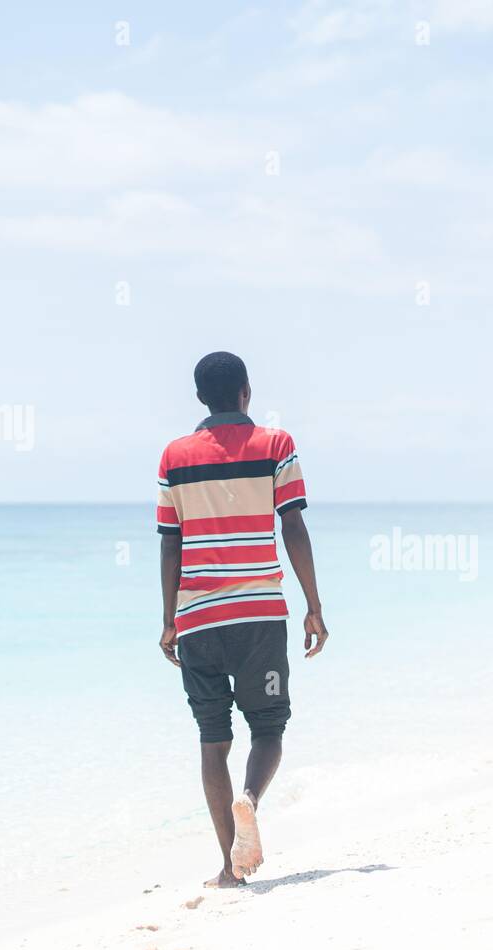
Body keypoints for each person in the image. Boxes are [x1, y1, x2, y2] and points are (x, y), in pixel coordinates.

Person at [156, 351, 328, 887]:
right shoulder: (276, 445)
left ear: (201, 398)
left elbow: (170, 545)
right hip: (260, 617)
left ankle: (231, 868)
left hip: (199, 620)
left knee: (213, 738)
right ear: (246, 392)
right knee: (269, 728)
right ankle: (249, 798)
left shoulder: (174, 457)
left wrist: (168, 620)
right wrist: (314, 606)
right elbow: (292, 528)